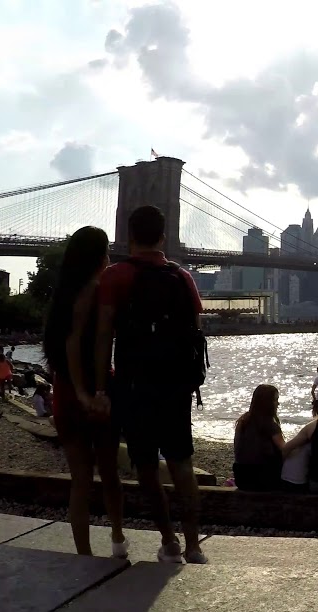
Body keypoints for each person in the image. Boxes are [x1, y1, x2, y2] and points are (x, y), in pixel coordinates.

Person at [95, 205, 207, 564]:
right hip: (175, 386)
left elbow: (104, 336)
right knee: (182, 463)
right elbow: (195, 331)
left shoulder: (115, 275)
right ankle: (194, 546)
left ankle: (169, 543)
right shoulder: (182, 276)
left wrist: (101, 387)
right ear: (163, 236)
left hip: (134, 385)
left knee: (145, 464)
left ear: (129, 237)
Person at [41, 226, 128, 558]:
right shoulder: (93, 288)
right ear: (99, 256)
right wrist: (87, 392)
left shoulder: (62, 293)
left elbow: (61, 347)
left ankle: (84, 554)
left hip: (64, 392)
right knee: (108, 473)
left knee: (80, 480)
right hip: (91, 392)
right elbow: (75, 342)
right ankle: (118, 540)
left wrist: (72, 390)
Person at [232, 384, 285, 491]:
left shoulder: (243, 420)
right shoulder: (269, 424)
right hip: (264, 478)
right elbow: (284, 449)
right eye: (276, 400)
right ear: (267, 403)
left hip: (241, 476)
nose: (278, 403)